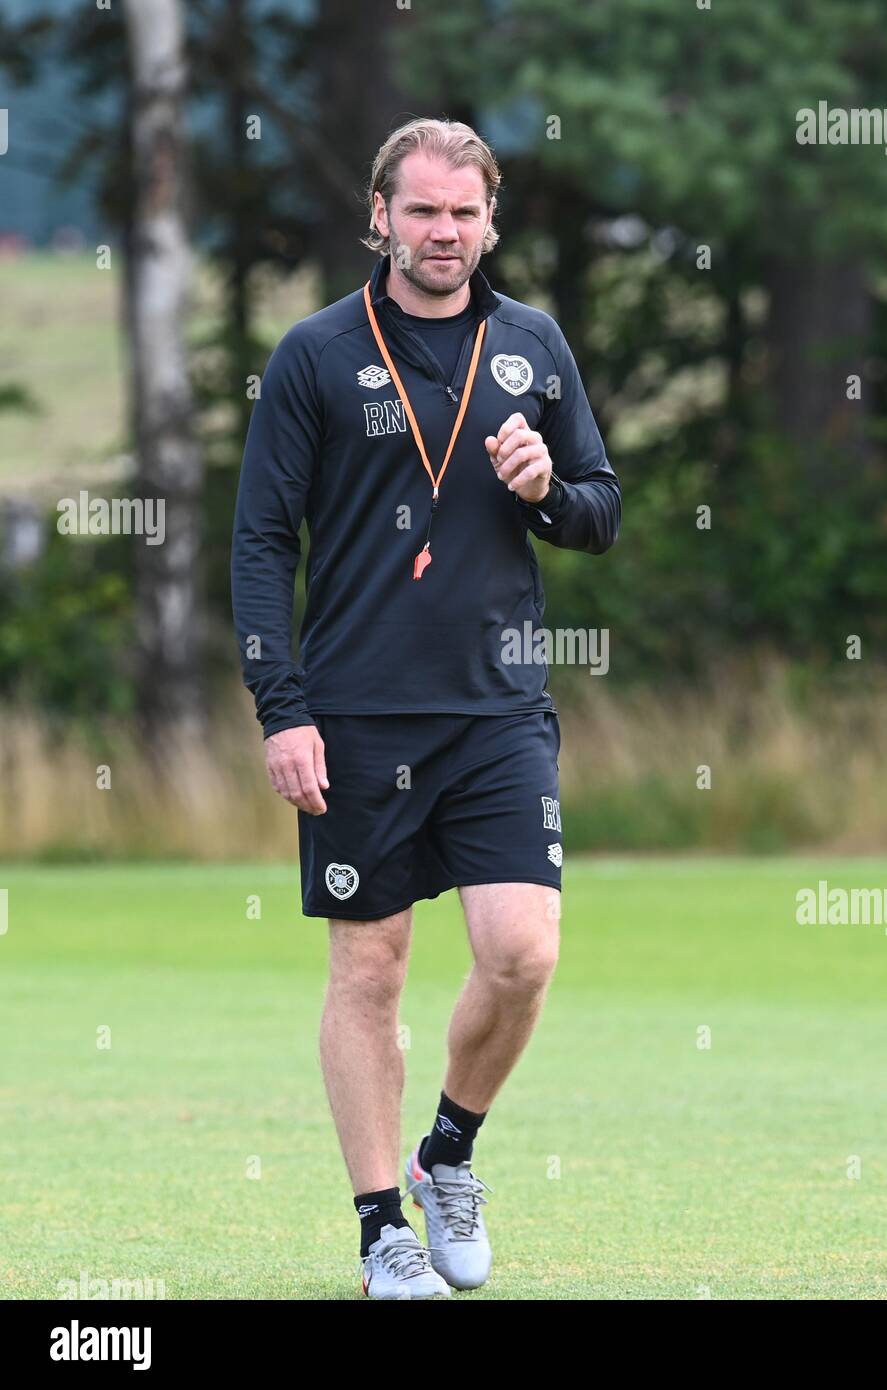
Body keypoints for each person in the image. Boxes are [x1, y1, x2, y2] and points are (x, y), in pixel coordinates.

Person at [231, 117, 621, 1299]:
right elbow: (259, 542)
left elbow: (601, 508)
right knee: (371, 973)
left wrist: (549, 487)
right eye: (422, 211)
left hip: (497, 710)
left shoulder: (534, 346)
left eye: (463, 212)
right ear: (380, 216)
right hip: (354, 716)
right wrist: (278, 706)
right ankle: (376, 1229)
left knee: (522, 953)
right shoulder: (315, 354)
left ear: (489, 221)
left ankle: (447, 1152)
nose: (443, 232)